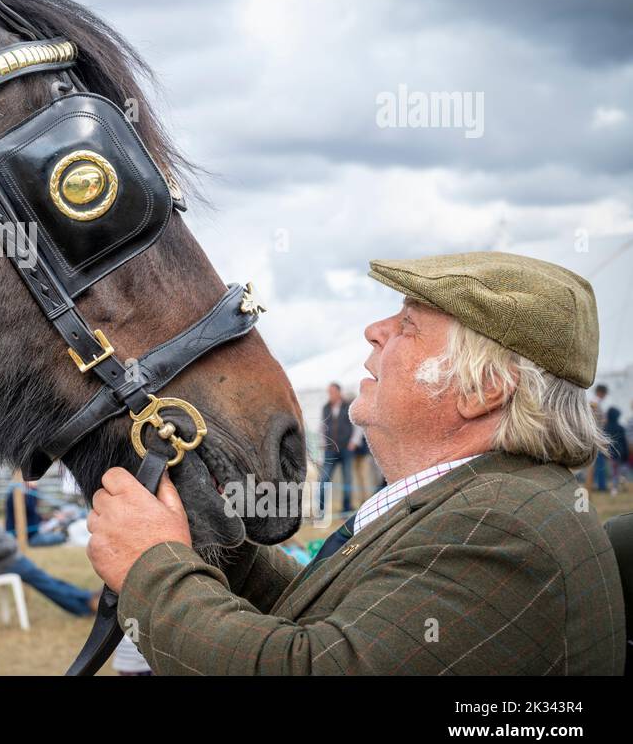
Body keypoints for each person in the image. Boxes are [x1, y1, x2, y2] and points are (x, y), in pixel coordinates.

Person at [87, 252, 624, 674]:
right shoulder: (478, 497)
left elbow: (310, 666)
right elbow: (330, 618)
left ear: (482, 389)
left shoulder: (502, 526)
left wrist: (152, 566)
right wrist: (211, 538)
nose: (375, 329)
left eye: (409, 325)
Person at [0, 468, 96, 617]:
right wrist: (12, 545)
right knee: (43, 580)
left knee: (43, 578)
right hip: (1, 561)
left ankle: (85, 599)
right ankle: (84, 606)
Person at [318, 382, 354, 513]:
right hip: (330, 450)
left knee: (347, 479)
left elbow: (356, 426)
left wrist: (353, 442)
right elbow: (321, 427)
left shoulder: (349, 406)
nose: (330, 395)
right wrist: (323, 442)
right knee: (323, 480)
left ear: (339, 392)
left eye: (332, 392)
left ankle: (346, 509)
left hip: (346, 449)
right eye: (329, 392)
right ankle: (321, 510)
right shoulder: (325, 408)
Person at [5, 482, 69, 546]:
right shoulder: (20, 497)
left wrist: (51, 518)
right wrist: (33, 489)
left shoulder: (26, 497)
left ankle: (63, 534)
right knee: (58, 537)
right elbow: (30, 510)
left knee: (52, 533)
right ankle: (64, 536)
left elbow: (35, 516)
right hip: (27, 537)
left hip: (28, 534)